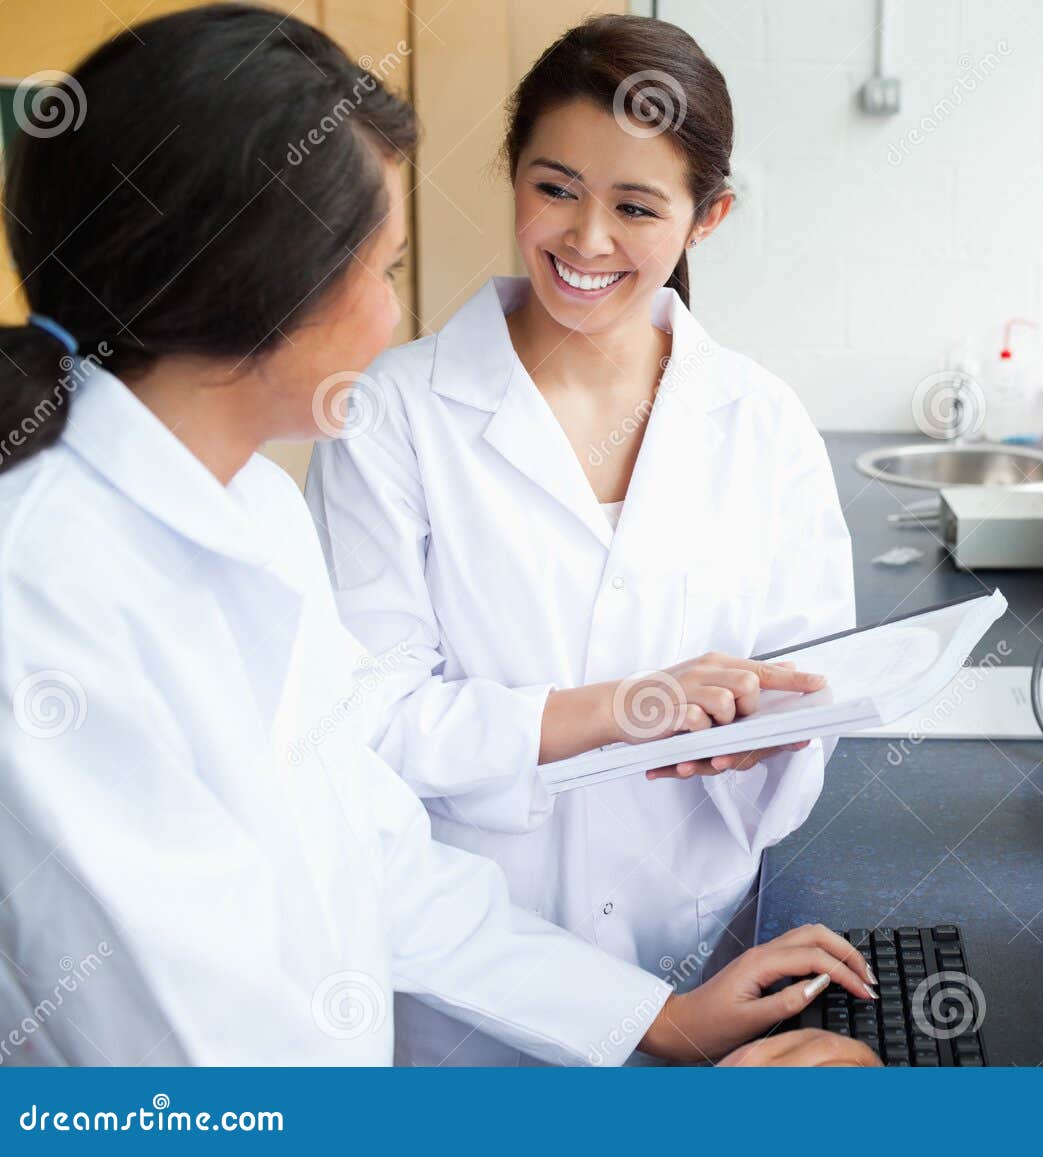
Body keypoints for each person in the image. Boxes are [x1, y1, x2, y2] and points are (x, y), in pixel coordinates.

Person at [0, 3, 874, 1068]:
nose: (391, 312)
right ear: (262, 286)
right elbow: (211, 1078)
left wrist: (655, 1017)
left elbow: (377, 857)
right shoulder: (42, 594)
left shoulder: (251, 514)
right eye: (385, 268)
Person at [303, 15, 856, 1065]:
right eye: (554, 188)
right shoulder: (392, 413)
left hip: (701, 953)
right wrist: (611, 711)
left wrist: (774, 728)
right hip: (464, 1005)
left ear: (709, 217)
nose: (585, 239)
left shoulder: (761, 418)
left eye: (636, 206)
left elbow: (813, 672)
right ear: (512, 177)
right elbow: (366, 720)